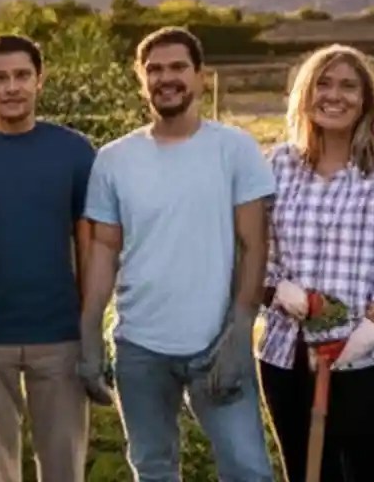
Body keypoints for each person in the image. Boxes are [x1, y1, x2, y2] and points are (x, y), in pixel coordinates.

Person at [78, 26, 277, 482]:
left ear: (201, 76)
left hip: (216, 342)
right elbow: (105, 249)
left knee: (247, 469)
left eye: (177, 68)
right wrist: (90, 332)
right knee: (153, 467)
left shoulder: (234, 149)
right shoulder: (115, 159)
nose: (166, 78)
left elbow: (254, 244)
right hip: (140, 348)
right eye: (155, 70)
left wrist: (240, 330)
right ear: (141, 79)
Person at [257, 44, 374, 481]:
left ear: (366, 99)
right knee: (310, 472)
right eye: (323, 83)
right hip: (288, 358)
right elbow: (255, 253)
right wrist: (275, 290)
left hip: (368, 360)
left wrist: (370, 331)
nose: (335, 95)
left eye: (349, 85)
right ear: (305, 95)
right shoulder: (278, 166)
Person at [0, 34, 95, 482]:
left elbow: (89, 243)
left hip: (58, 335)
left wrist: (89, 322)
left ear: (39, 80)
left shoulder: (72, 151)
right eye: (0, 78)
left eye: (21, 76)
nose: (11, 87)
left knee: (63, 467)